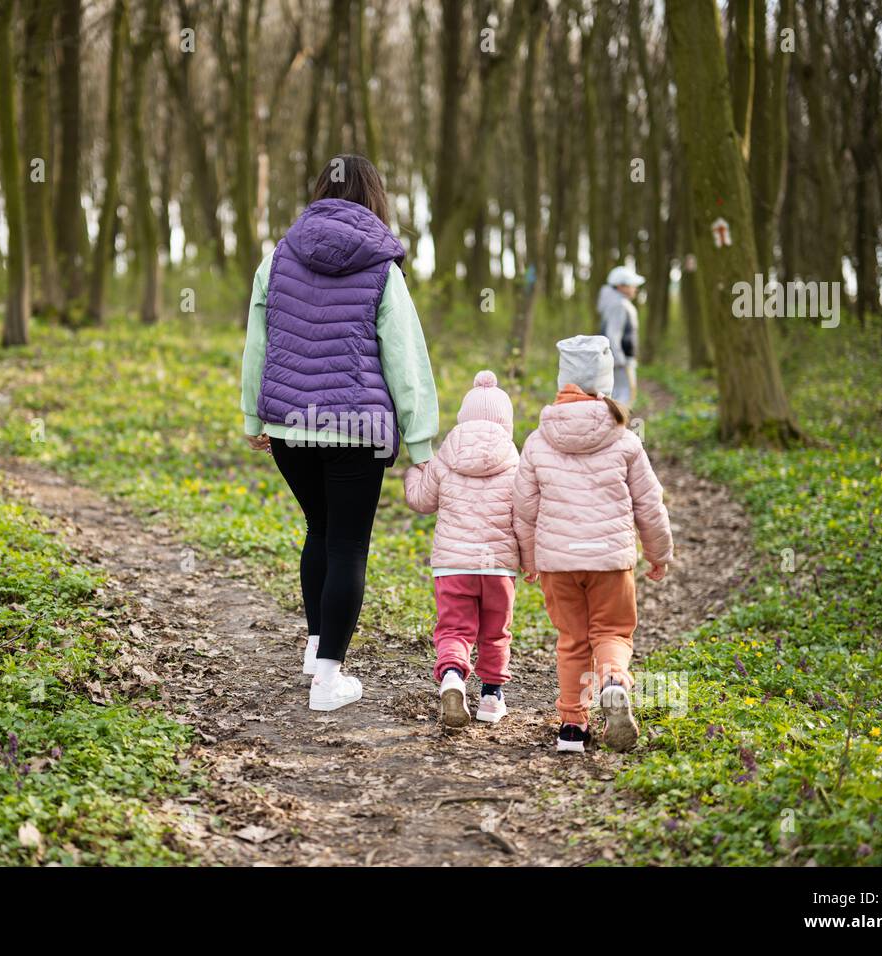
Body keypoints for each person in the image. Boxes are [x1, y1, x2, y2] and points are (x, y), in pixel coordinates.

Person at [240, 154, 439, 712]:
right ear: (374, 197)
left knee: (319, 529)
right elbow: (405, 357)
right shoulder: (382, 268)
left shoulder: (276, 259)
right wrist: (421, 444)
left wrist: (254, 417)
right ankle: (328, 681)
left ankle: (315, 649)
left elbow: (259, 341)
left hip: (291, 426)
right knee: (348, 543)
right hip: (356, 429)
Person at [512, 334, 673, 753]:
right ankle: (614, 681)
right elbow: (649, 503)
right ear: (605, 383)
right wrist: (659, 553)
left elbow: (524, 508)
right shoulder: (624, 439)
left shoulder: (537, 439)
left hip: (557, 563)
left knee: (572, 640)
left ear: (563, 380)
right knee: (612, 633)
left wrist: (528, 558)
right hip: (611, 561)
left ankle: (571, 728)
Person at [404, 370, 520, 729]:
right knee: (495, 632)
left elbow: (422, 501)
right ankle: (490, 697)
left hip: (453, 566)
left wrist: (413, 473)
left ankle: (453, 676)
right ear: (506, 423)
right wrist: (530, 560)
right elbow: (526, 515)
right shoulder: (514, 460)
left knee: (454, 629)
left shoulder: (446, 455)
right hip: (499, 567)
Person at [596, 265, 645, 406]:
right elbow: (613, 335)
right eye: (632, 285)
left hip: (620, 360)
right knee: (624, 397)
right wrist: (620, 360)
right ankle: (617, 427)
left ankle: (616, 426)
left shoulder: (616, 303)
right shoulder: (619, 305)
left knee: (619, 395)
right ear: (620, 286)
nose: (635, 288)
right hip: (621, 361)